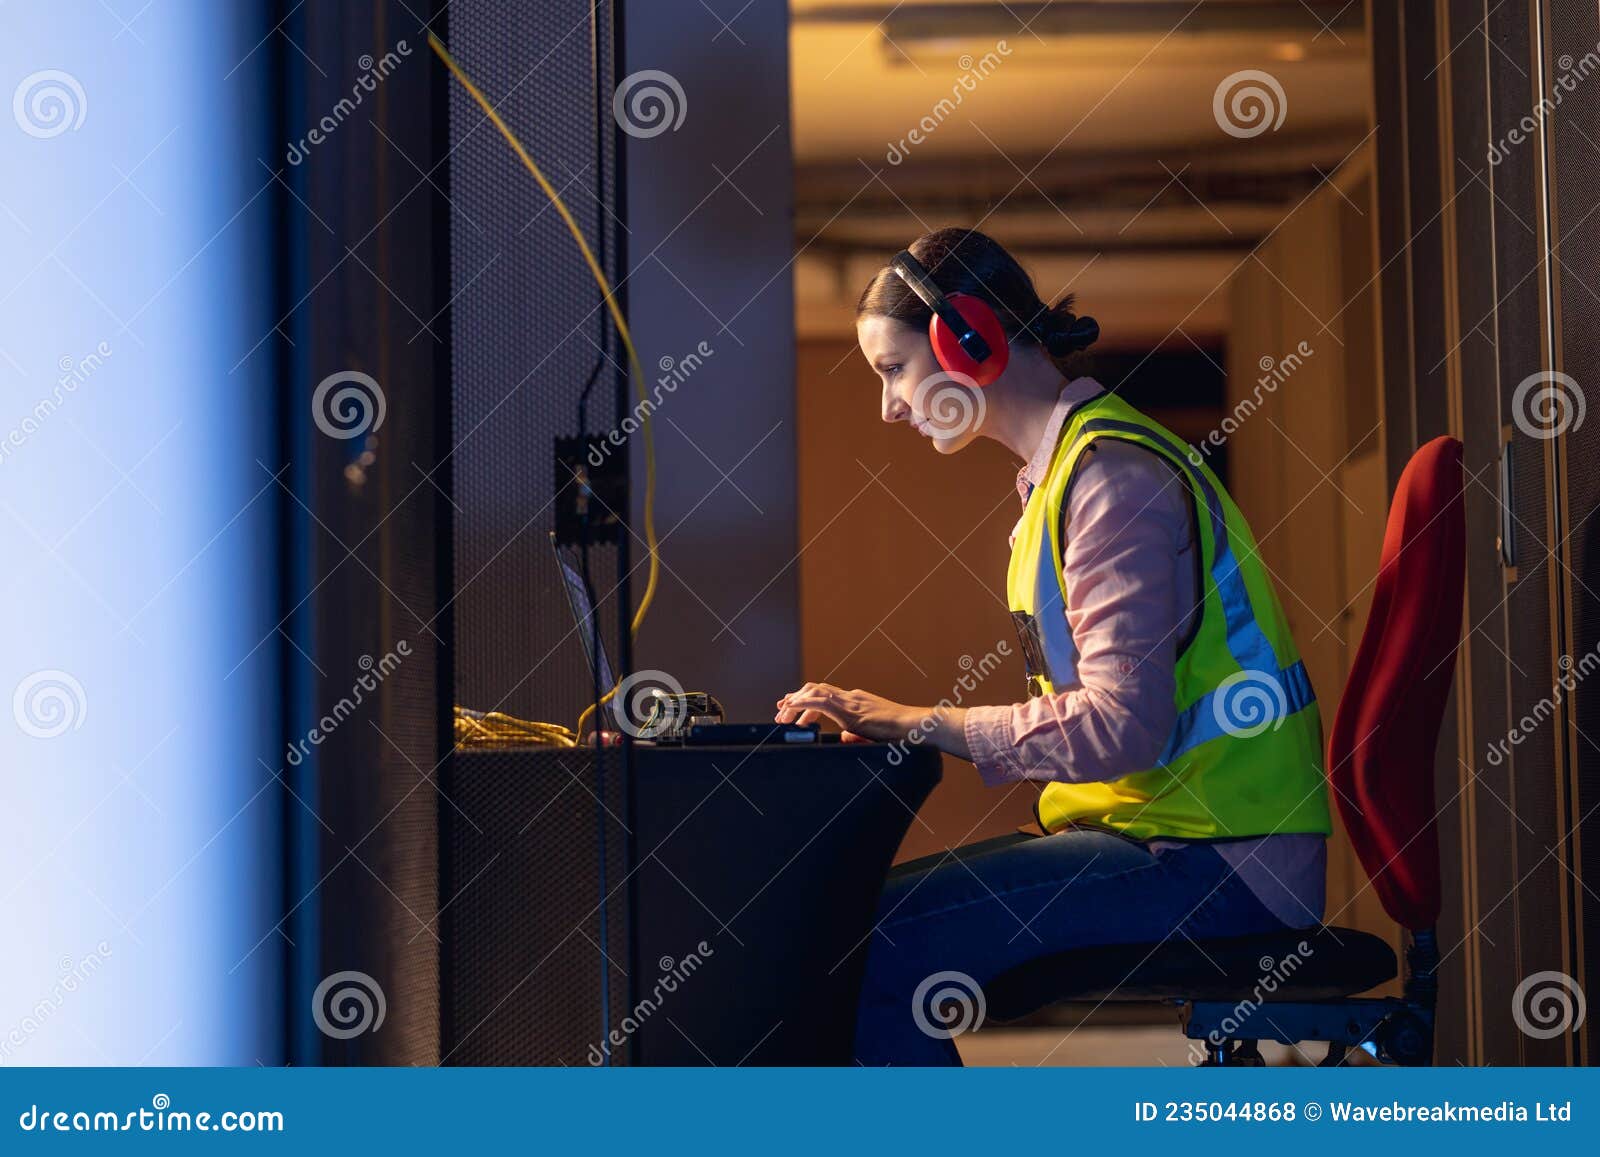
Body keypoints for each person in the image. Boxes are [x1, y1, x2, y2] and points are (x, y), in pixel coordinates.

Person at [774, 227, 1331, 1065]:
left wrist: (922, 721)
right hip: (1178, 840)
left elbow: (1123, 729)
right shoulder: (1063, 475)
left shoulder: (1109, 480)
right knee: (855, 930)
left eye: (893, 370)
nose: (888, 405)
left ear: (969, 339)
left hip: (1218, 864)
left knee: (866, 945)